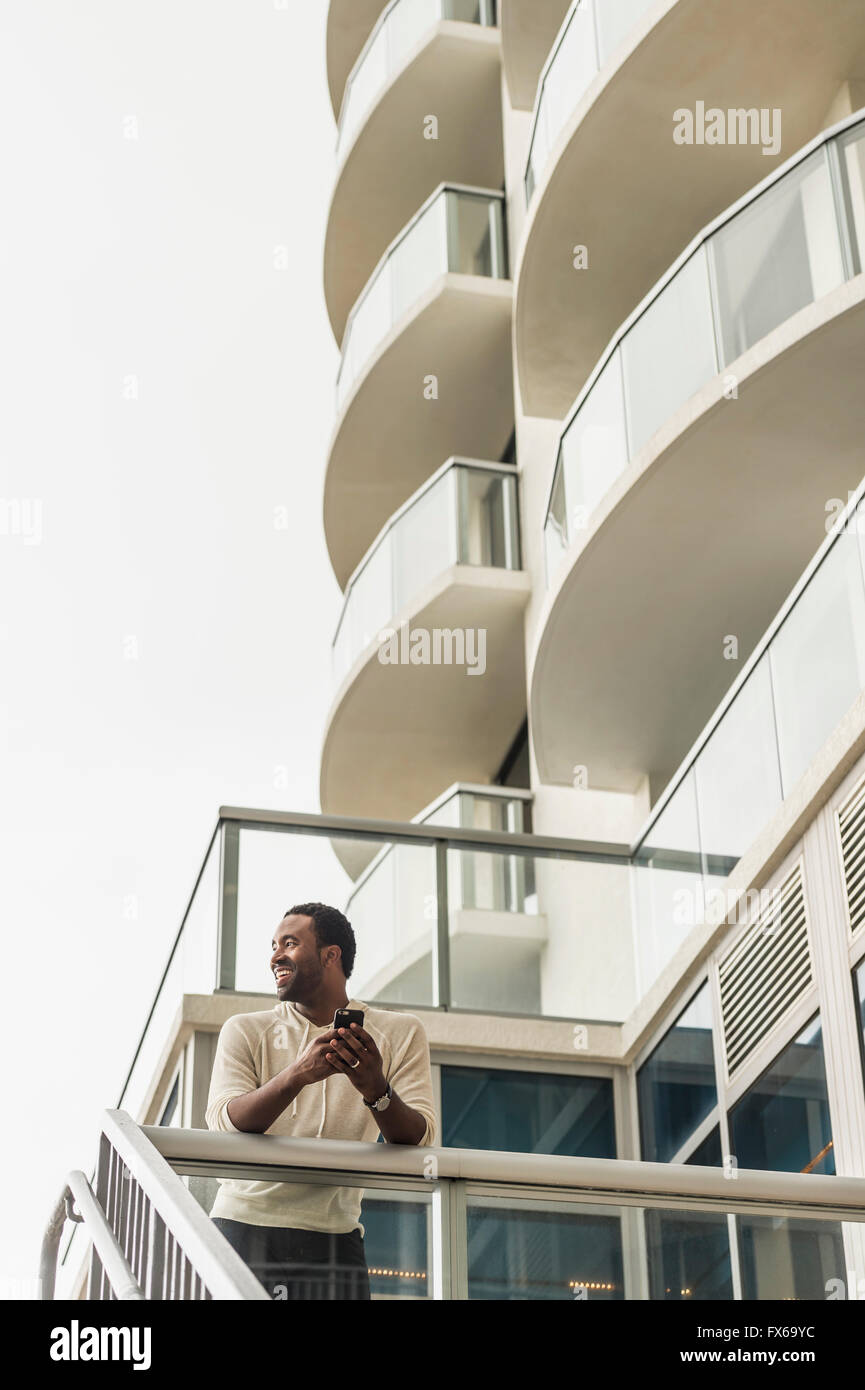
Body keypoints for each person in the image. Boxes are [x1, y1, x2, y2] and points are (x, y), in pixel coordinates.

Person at [205, 901, 436, 1300]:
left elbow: (421, 1139)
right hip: (243, 1227)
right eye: (273, 945)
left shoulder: (400, 1032)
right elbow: (224, 1121)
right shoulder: (244, 1030)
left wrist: (375, 1089)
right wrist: (299, 1074)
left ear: (331, 956)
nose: (276, 955)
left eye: (290, 944)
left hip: (336, 1234)